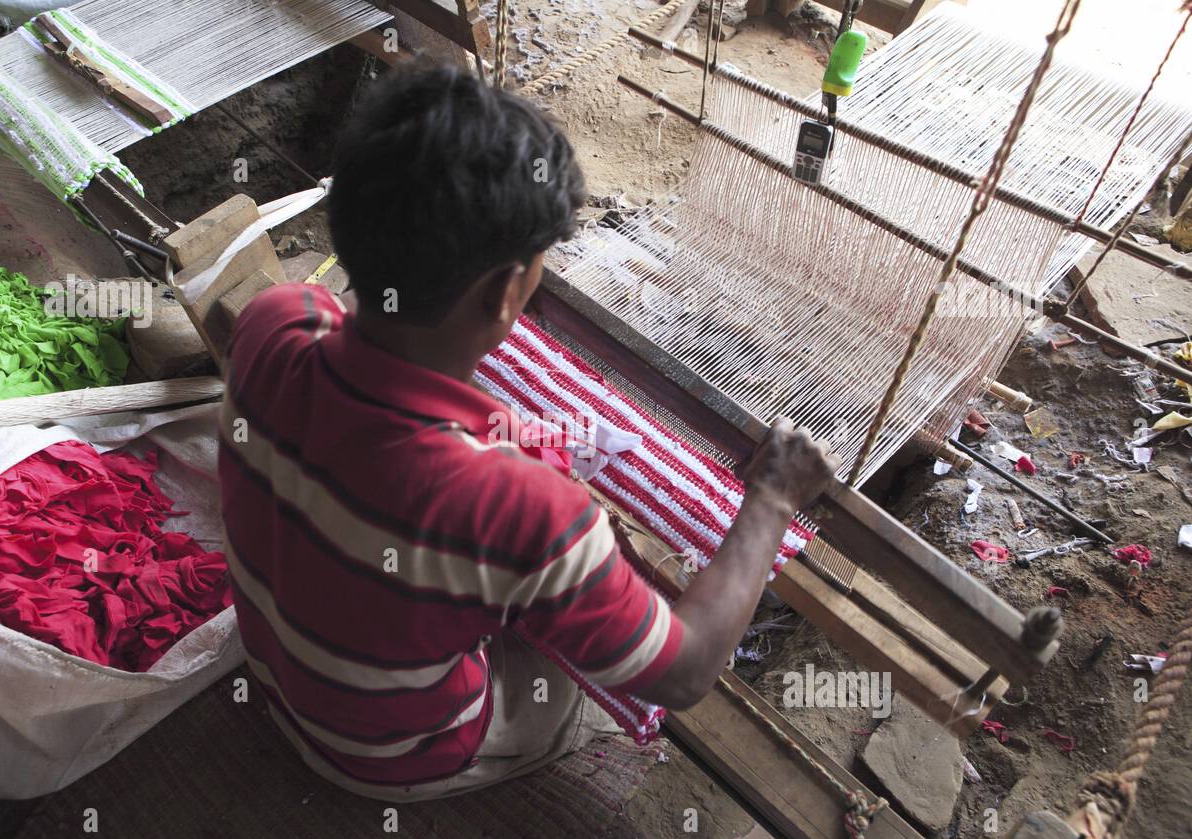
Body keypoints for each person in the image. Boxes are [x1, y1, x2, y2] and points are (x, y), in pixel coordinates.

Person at [218, 64, 838, 801]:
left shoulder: (273, 322)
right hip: (379, 756)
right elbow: (686, 672)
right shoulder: (525, 512)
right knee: (570, 681)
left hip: (274, 671)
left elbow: (372, 423)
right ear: (507, 289)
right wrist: (771, 497)